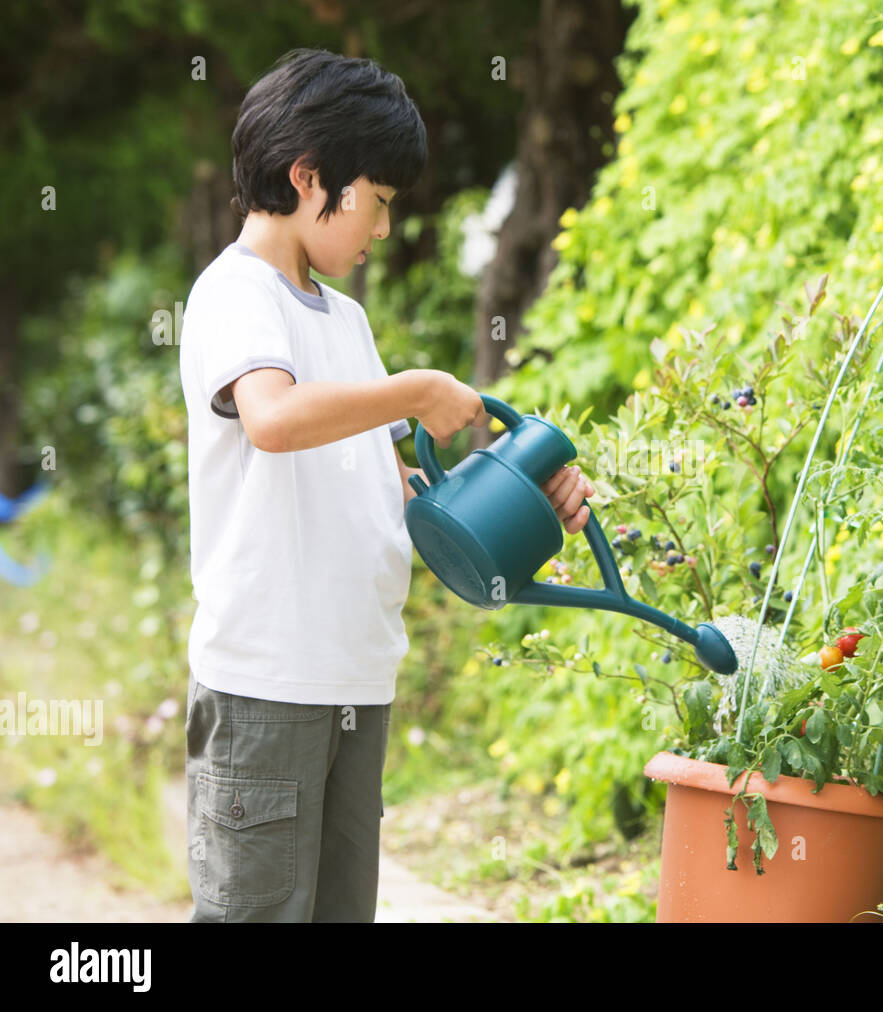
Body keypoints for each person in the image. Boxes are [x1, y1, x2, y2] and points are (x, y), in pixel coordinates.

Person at [177, 48, 593, 922]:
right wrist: (414, 389)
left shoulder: (349, 320)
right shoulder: (234, 294)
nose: (383, 228)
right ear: (309, 177)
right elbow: (275, 418)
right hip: (267, 685)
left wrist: (523, 501)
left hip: (354, 682)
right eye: (379, 200)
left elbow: (392, 489)